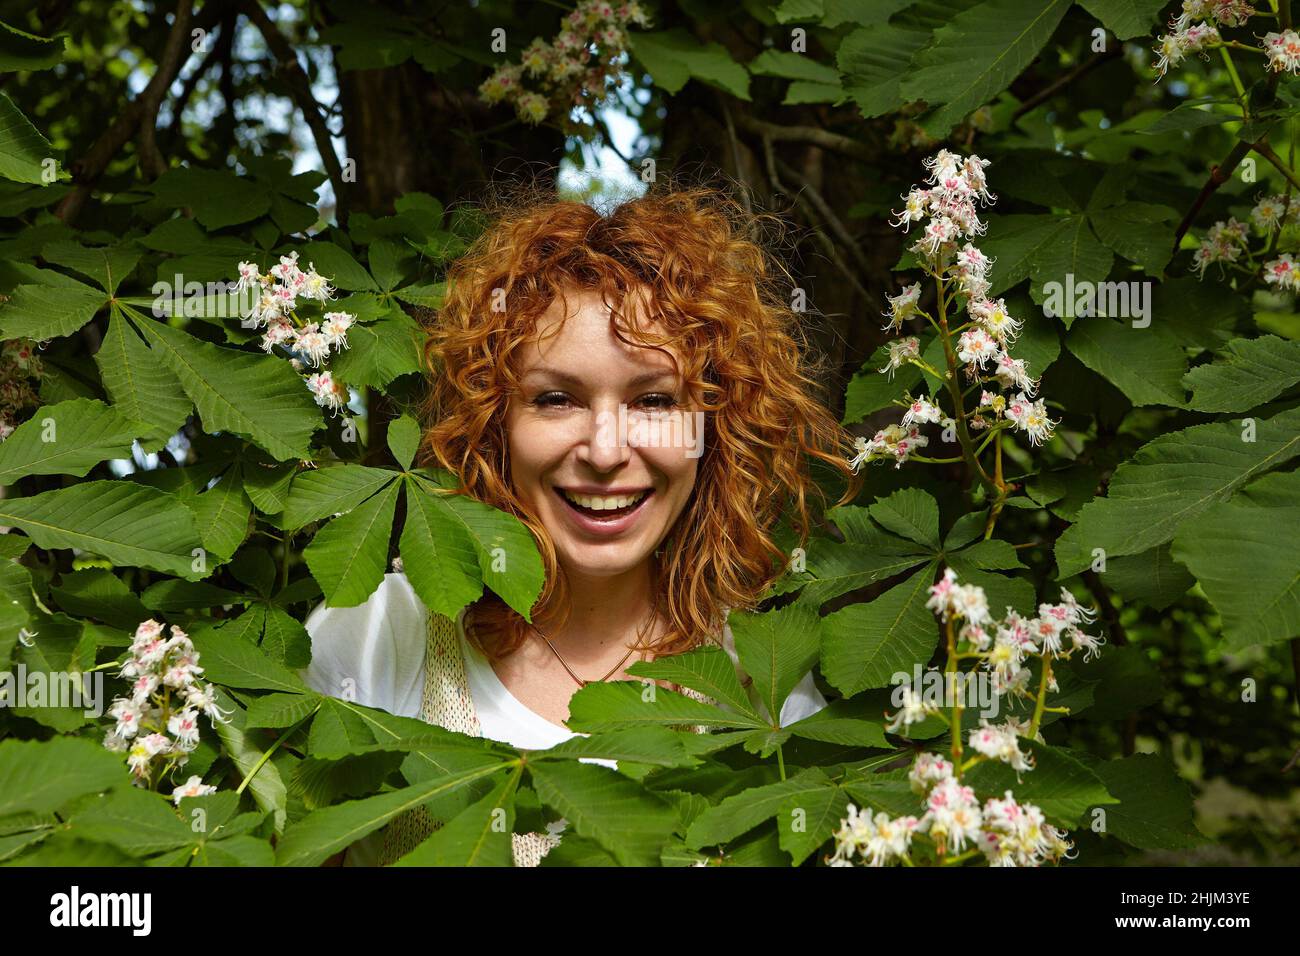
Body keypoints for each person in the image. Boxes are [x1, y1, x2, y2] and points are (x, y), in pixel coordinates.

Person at [302, 185, 864, 865]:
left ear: (711, 431)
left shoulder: (759, 682)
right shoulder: (375, 635)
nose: (605, 452)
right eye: (556, 398)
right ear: (495, 425)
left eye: (654, 401)